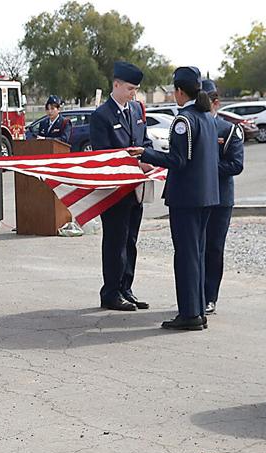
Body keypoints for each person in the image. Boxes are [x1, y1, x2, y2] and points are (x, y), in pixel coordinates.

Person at [135, 67, 221, 331]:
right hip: (206, 196)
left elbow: (178, 161)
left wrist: (145, 154)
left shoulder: (184, 120)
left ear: (180, 91)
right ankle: (197, 309)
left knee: (186, 256)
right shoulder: (206, 116)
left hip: (187, 198)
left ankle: (189, 314)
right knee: (197, 254)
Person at [91, 62, 153, 312]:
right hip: (114, 190)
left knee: (131, 241)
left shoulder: (136, 109)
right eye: (129, 88)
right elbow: (103, 155)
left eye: (136, 89)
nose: (133, 94)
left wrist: (148, 158)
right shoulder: (101, 115)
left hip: (135, 189)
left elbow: (144, 140)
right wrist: (135, 162)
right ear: (115, 85)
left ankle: (126, 287)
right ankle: (111, 292)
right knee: (115, 242)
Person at [202, 79, 244, 315]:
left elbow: (236, 164)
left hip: (220, 198)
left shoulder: (228, 129)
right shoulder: (193, 124)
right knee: (196, 248)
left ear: (215, 103)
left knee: (214, 248)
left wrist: (206, 166)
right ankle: (195, 294)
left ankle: (210, 296)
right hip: (197, 197)